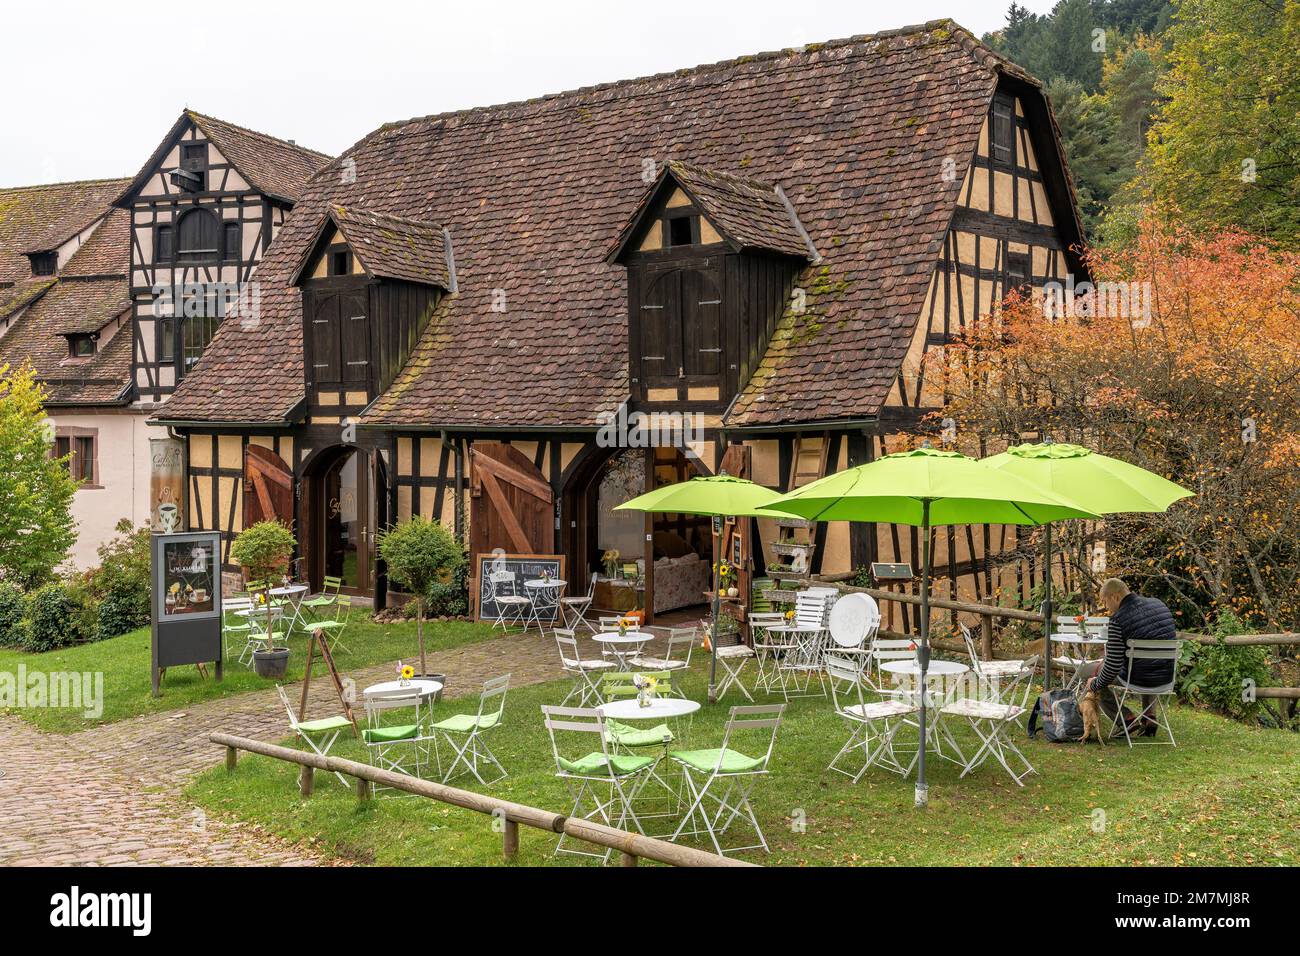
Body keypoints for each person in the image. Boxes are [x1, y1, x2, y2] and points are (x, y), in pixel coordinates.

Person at [1082, 578, 1177, 737]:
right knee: (1147, 664)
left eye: (1105, 602)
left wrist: (1094, 684)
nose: (1106, 607)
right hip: (1166, 676)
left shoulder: (1117, 620)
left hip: (1138, 678)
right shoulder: (1159, 604)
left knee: (1098, 679)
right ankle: (1150, 718)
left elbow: (1112, 667)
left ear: (1115, 597)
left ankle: (1126, 720)